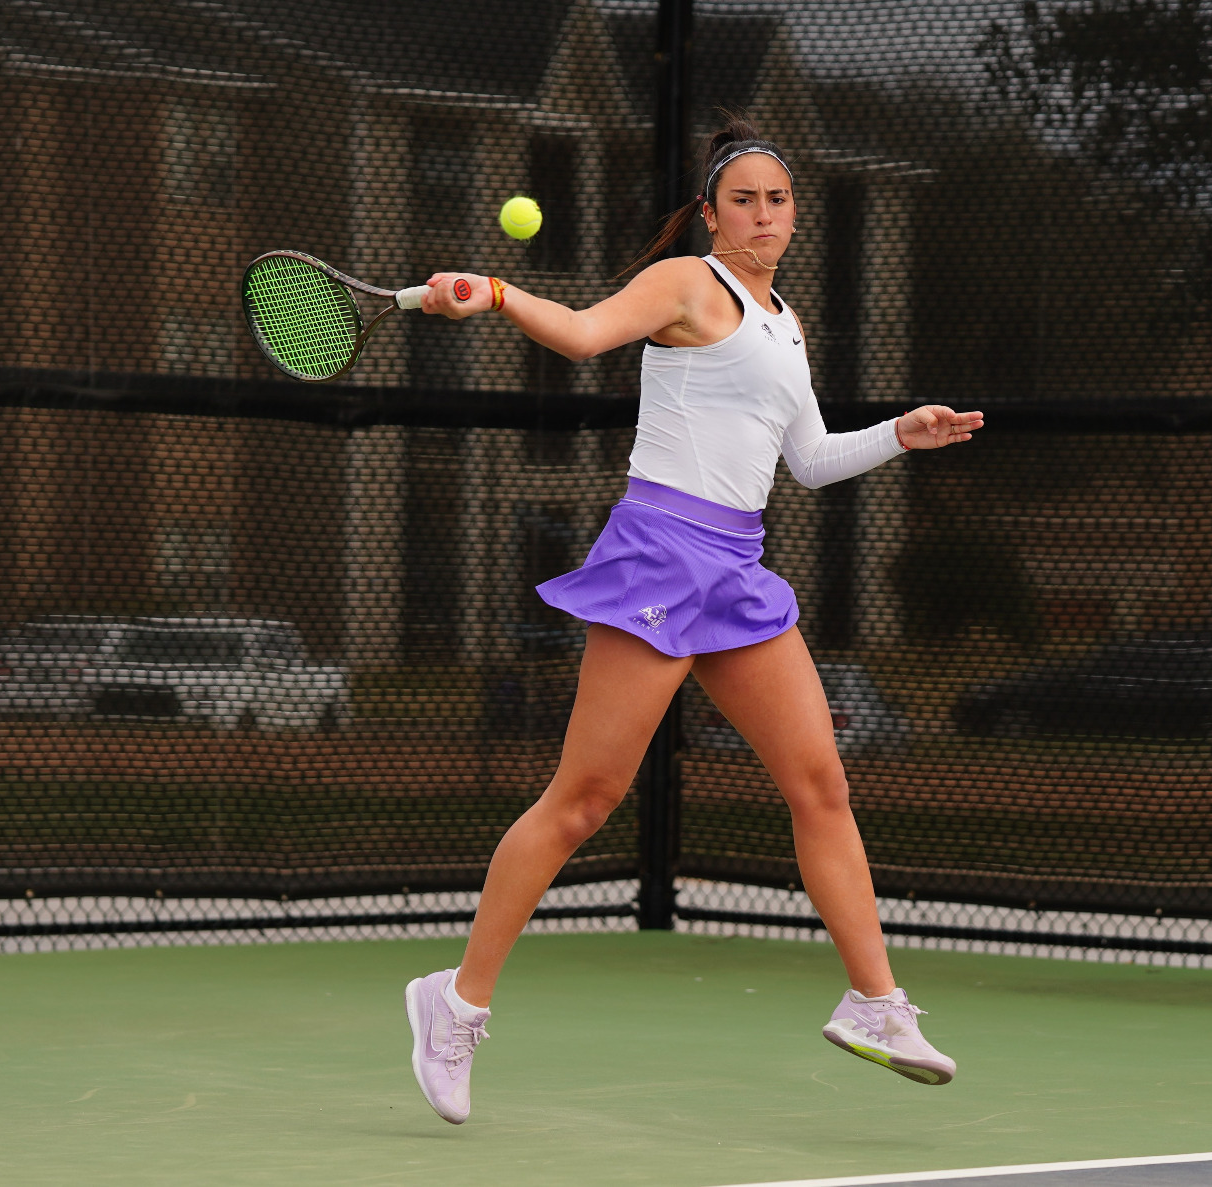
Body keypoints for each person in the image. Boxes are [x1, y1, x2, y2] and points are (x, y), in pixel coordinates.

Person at [402, 115, 983, 1125]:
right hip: (660, 556)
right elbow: (585, 334)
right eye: (745, 200)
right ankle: (454, 1002)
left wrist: (899, 431)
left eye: (779, 200)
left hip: (737, 570)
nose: (764, 215)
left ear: (794, 216)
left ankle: (875, 1003)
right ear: (711, 215)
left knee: (820, 784)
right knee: (583, 801)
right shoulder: (684, 283)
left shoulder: (784, 322)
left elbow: (803, 460)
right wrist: (496, 293)